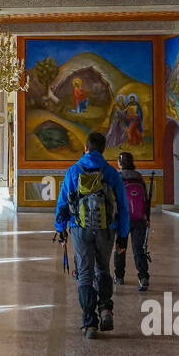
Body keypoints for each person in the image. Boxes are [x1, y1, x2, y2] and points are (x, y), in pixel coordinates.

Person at [54, 130, 130, 338]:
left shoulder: (73, 171)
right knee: (103, 269)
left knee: (85, 273)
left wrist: (61, 230)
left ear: (85, 148)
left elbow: (62, 203)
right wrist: (123, 235)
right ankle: (105, 308)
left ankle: (89, 323)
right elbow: (123, 206)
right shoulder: (112, 173)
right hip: (107, 229)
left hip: (80, 228)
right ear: (103, 150)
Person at [115, 152, 151, 291]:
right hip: (140, 219)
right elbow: (145, 199)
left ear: (120, 163)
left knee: (120, 248)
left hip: (123, 219)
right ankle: (143, 277)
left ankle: (119, 277)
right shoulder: (139, 177)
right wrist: (146, 217)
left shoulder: (118, 177)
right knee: (139, 250)